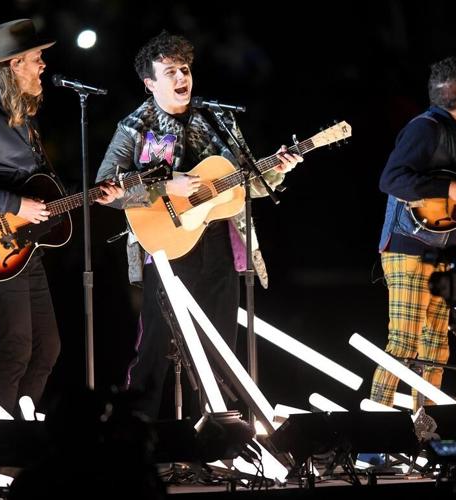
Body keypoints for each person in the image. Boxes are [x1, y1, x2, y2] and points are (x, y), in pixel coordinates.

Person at [95, 31, 301, 420]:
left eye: (184, 69)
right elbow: (106, 188)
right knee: (156, 346)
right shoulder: (136, 126)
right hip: (167, 248)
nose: (180, 78)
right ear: (150, 83)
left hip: (219, 244)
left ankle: (219, 440)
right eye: (169, 71)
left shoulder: (218, 119)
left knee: (220, 347)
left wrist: (275, 170)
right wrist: (163, 185)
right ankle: (136, 438)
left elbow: (246, 183)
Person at [0, 19, 123, 416]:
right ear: (15, 63)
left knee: (48, 348)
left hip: (26, 248)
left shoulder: (20, 115)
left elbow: (40, 186)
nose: (43, 66)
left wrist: (93, 193)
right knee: (16, 348)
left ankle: (18, 433)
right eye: (37, 59)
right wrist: (14, 205)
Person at [371, 56, 456, 408]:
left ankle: (424, 428)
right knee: (403, 340)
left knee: (436, 343)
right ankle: (374, 429)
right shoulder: (425, 128)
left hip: (440, 249)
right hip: (407, 247)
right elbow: (391, 180)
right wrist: (447, 190)